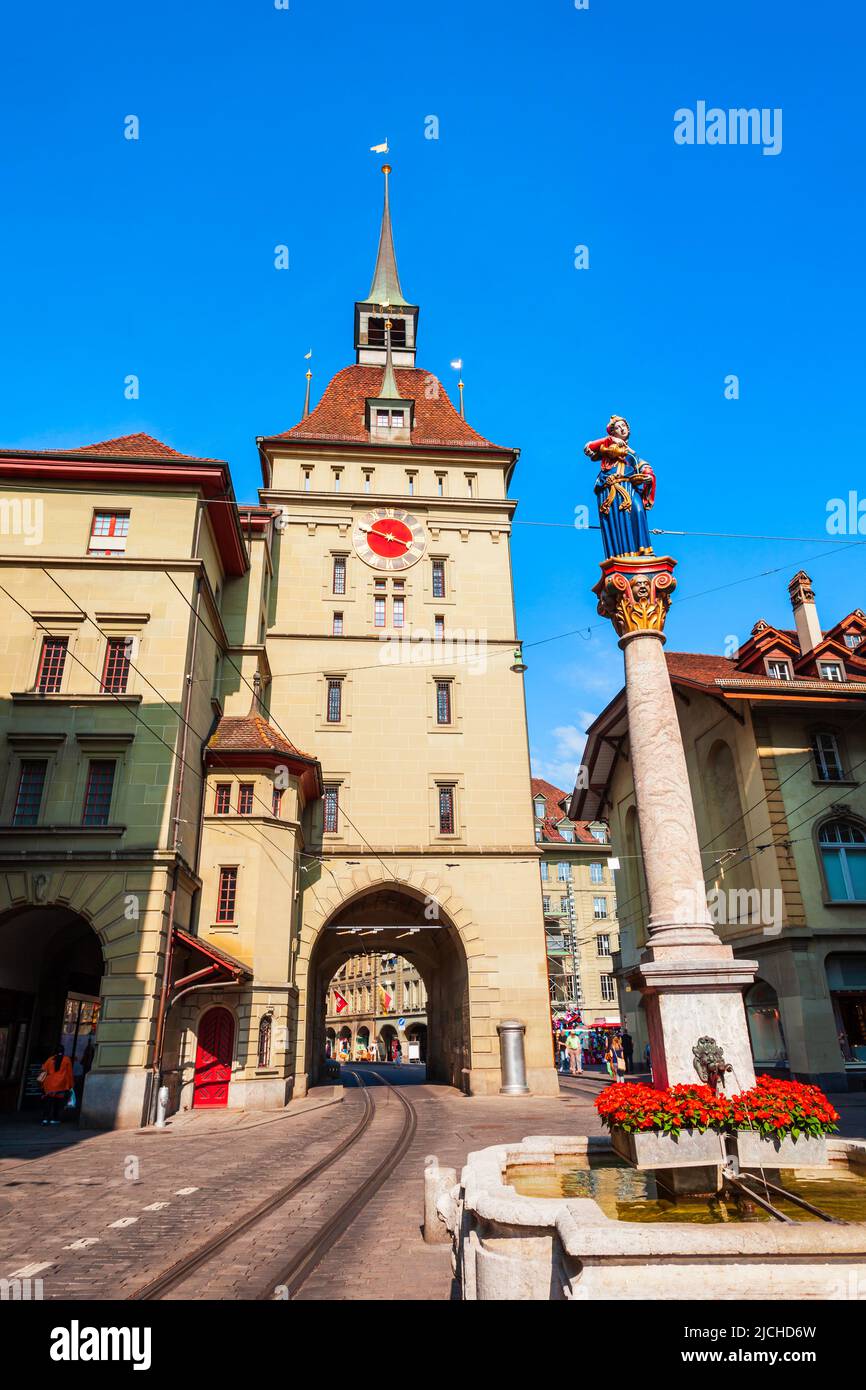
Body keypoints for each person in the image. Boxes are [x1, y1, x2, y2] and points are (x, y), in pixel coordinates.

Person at [39, 1049, 74, 1125]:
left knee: (48, 1102)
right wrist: (70, 1085)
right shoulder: (66, 1059)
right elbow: (69, 1073)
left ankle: (45, 1119)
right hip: (61, 1085)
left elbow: (43, 1070)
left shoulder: (50, 1059)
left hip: (49, 1084)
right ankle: (55, 1119)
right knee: (57, 1103)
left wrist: (42, 1084)